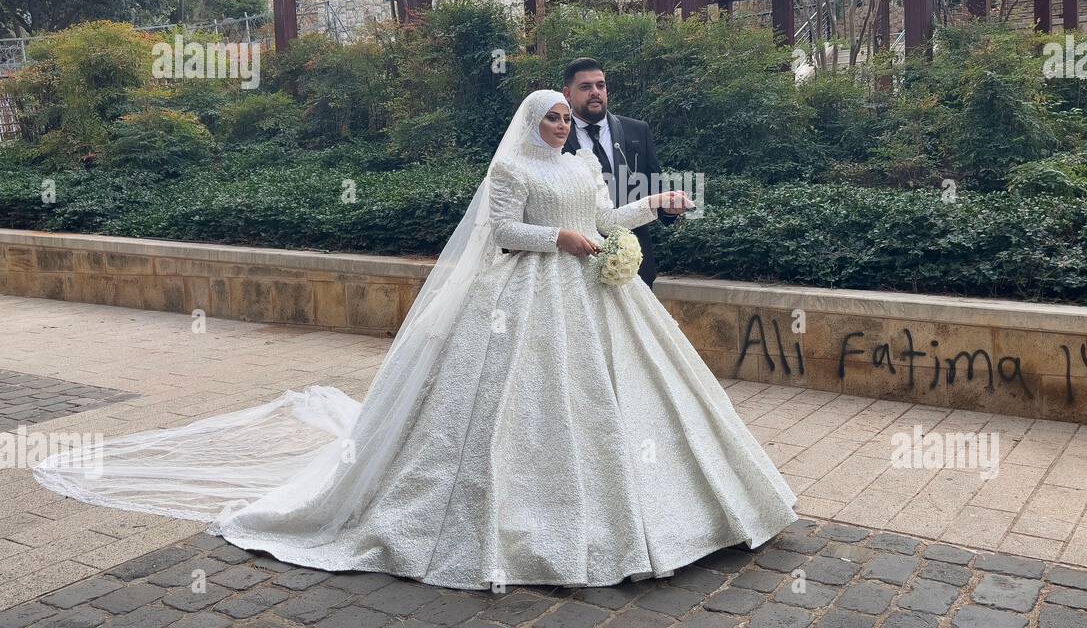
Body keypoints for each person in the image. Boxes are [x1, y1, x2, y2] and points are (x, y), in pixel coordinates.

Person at [32, 90, 799, 590]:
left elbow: (604, 223)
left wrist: (652, 207)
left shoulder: (578, 166)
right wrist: (556, 239)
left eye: (568, 116)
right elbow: (500, 232)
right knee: (505, 405)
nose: (562, 124)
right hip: (526, 293)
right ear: (531, 121)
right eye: (552, 115)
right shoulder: (509, 166)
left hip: (590, 293)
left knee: (626, 398)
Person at [559, 56, 677, 287]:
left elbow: (654, 188)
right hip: (574, 263)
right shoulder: (556, 136)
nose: (595, 92)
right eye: (585, 87)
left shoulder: (637, 130)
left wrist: (670, 208)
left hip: (632, 262)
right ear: (567, 94)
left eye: (600, 85)